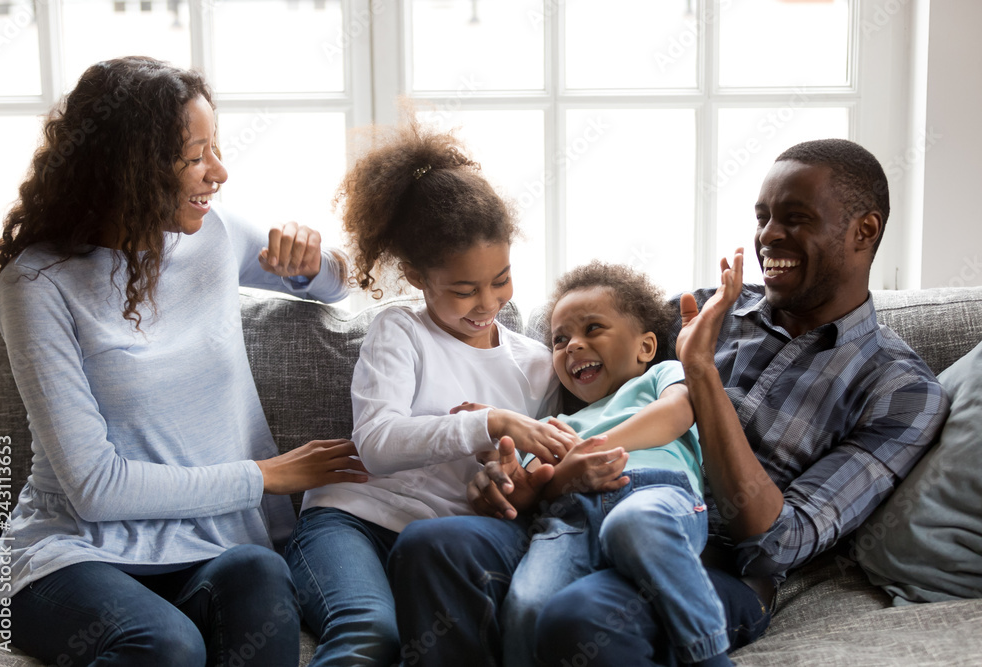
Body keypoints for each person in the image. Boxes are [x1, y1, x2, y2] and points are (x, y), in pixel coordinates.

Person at [388, 138, 950, 667]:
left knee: (581, 617)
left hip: (712, 562)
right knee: (433, 544)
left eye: (795, 218)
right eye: (762, 217)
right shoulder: (702, 307)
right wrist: (510, 472)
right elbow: (595, 387)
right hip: (583, 514)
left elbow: (777, 543)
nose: (769, 236)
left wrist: (701, 371)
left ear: (864, 230)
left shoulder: (900, 390)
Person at [0, 56, 368, 667]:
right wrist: (264, 476)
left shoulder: (212, 235)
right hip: (73, 554)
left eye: (215, 148)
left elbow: (338, 287)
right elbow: (95, 490)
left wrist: (311, 260)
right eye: (195, 157)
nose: (220, 171)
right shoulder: (37, 284)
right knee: (168, 645)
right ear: (130, 168)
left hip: (210, 548)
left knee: (261, 574)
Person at [283, 117, 565, 667]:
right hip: (351, 522)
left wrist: (505, 473)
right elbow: (377, 444)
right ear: (416, 277)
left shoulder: (537, 366)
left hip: (438, 545)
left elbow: (532, 476)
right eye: (464, 290)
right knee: (369, 632)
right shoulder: (400, 331)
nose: (488, 303)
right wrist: (490, 423)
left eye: (501, 279)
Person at [496, 260, 734, 667]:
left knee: (633, 523)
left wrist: (588, 451)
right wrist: (508, 469)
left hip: (654, 493)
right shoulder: (556, 423)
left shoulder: (660, 376)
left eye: (592, 329)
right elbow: (530, 487)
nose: (572, 345)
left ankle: (711, 658)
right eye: (559, 339)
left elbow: (676, 415)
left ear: (645, 347)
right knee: (527, 604)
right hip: (570, 518)